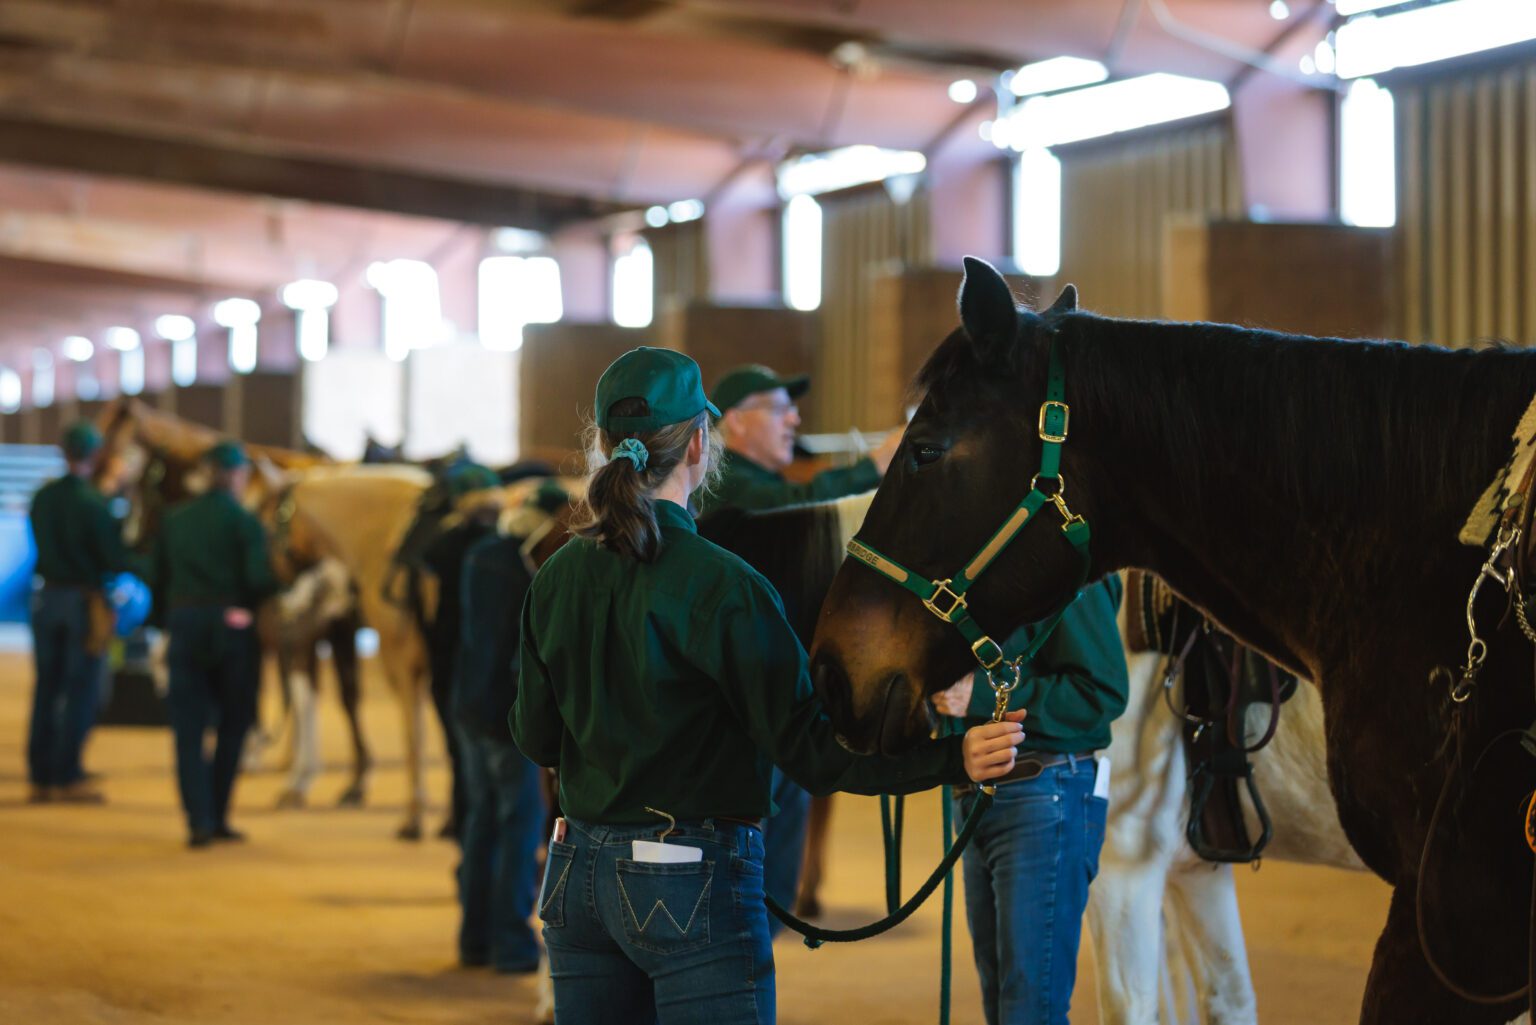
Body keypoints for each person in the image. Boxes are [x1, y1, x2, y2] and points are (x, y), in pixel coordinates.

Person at [512, 346, 1026, 1024]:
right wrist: (948, 757)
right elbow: (811, 751)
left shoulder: (556, 574)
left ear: (603, 444)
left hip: (576, 877)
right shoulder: (726, 585)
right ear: (701, 443)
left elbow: (537, 734)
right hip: (688, 870)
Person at [931, 577, 1130, 1025]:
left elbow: (1102, 692)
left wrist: (978, 696)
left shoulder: (1069, 573)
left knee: (1028, 1008)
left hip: (1044, 793)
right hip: (980, 796)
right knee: (1003, 1000)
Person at [449, 484, 566, 974]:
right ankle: (511, 943)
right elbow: (520, 660)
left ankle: (474, 938)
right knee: (518, 828)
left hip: (467, 707)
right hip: (506, 717)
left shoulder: (479, 555)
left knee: (481, 823)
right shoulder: (528, 573)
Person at [151, 440, 279, 848]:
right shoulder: (244, 523)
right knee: (233, 724)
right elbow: (258, 581)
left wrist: (169, 620)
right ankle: (220, 814)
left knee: (188, 730)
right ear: (238, 476)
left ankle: (198, 821)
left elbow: (157, 578)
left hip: (185, 622)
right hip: (232, 627)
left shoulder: (175, 520)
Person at [26, 421, 135, 804]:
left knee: (46, 687)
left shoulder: (43, 497)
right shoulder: (92, 503)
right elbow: (113, 557)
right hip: (82, 602)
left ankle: (41, 775)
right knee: (81, 689)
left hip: (46, 599)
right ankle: (67, 774)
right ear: (95, 455)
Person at [696, 364, 901, 516]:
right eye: (779, 409)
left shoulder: (757, 478)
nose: (794, 419)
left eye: (792, 408)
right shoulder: (722, 483)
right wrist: (876, 464)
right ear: (737, 421)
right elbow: (800, 506)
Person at [421, 462, 503, 838]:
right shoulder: (506, 549)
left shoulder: (438, 546)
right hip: (499, 664)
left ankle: (462, 816)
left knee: (459, 746)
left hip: (450, 658)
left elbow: (429, 606)